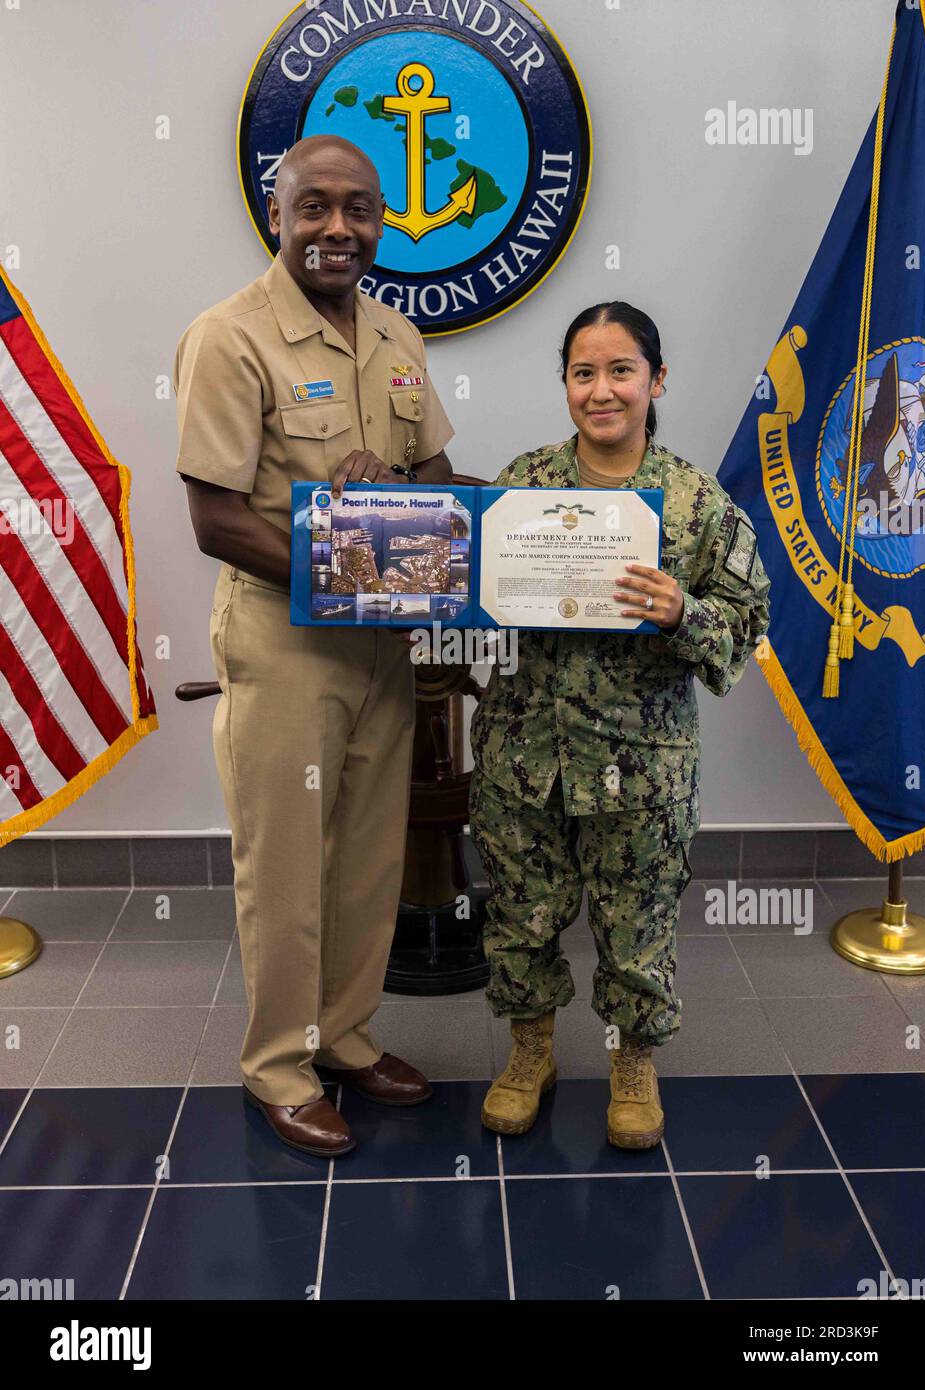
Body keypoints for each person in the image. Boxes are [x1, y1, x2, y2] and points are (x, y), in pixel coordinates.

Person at [174, 136, 455, 1157]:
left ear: (382, 221)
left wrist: (412, 499)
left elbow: (437, 477)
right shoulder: (229, 337)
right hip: (285, 641)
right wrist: (361, 566)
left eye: (359, 210)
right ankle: (280, 1068)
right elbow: (216, 520)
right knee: (285, 866)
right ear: (278, 215)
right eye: (315, 207)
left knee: (368, 860)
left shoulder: (397, 332)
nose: (338, 228)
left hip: (382, 646)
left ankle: (343, 1035)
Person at [469, 301, 771, 1149]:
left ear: (656, 380)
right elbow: (469, 592)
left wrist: (682, 612)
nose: (601, 391)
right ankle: (530, 1053)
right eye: (583, 373)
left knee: (638, 924)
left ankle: (633, 1062)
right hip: (524, 755)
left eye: (621, 371)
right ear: (565, 383)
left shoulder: (696, 503)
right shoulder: (522, 487)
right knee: (521, 915)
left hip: (641, 766)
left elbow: (747, 621)